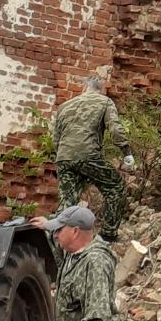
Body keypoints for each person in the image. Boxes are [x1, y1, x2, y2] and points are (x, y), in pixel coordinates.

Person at [52, 74, 132, 238]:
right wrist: (127, 153)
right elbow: (116, 130)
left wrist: (64, 160)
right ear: (102, 89)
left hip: (63, 157)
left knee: (66, 203)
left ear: (84, 87)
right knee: (115, 187)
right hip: (88, 155)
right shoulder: (105, 102)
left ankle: (57, 244)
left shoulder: (65, 106)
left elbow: (56, 139)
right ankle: (108, 236)